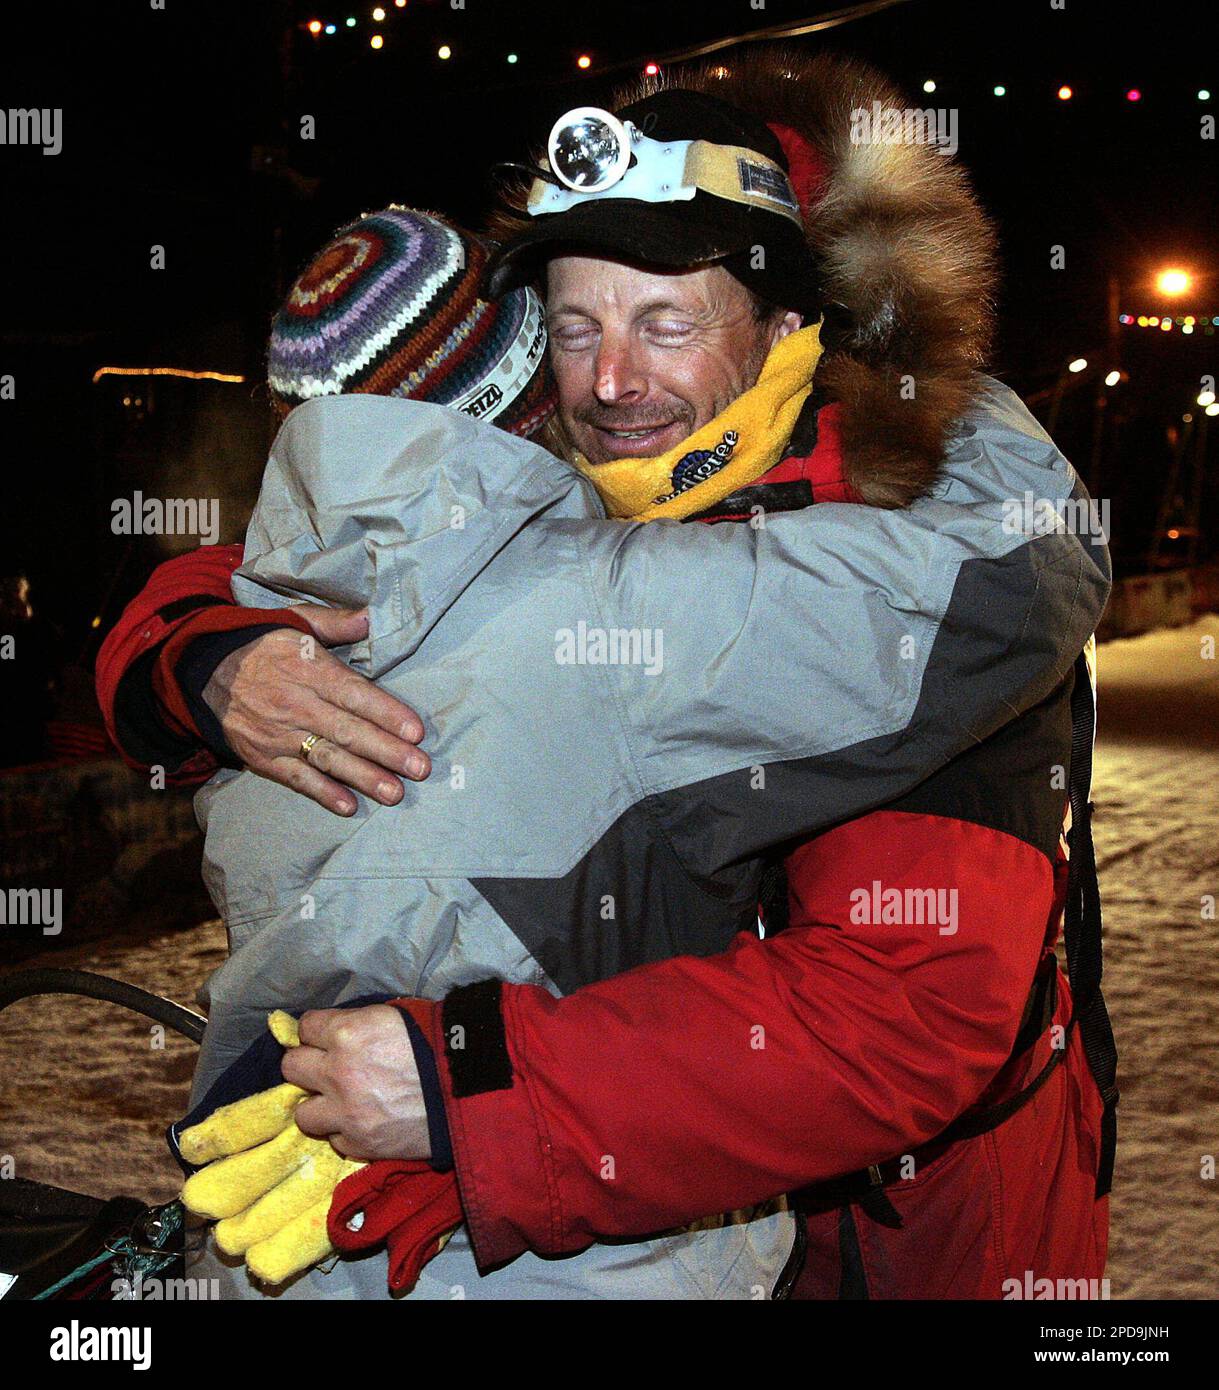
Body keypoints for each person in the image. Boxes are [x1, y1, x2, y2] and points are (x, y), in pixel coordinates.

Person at [98, 49, 1115, 1300]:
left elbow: (895, 1019)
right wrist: (201, 654)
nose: (614, 380)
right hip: (661, 1200)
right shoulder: (606, 493)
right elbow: (305, 551)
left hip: (913, 1233)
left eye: (665, 322)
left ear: (788, 323)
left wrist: (474, 1099)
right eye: (575, 331)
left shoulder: (885, 564)